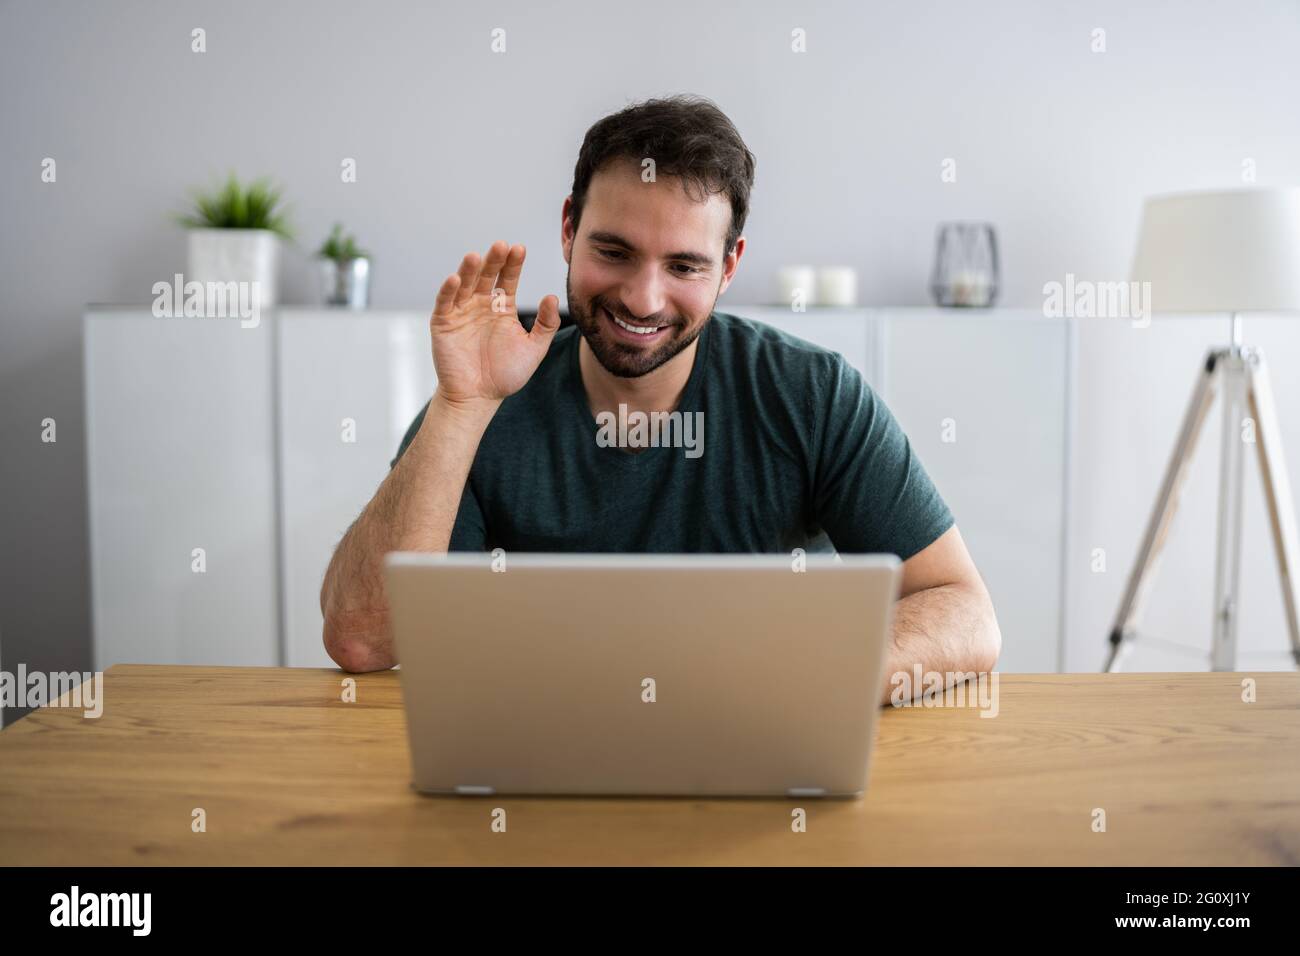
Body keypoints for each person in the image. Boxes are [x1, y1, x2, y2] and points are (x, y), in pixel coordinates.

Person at [320, 95, 1001, 703]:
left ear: (729, 266)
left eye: (684, 266)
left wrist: (800, 682)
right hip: (544, 769)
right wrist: (460, 406)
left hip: (760, 749)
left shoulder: (811, 395)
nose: (643, 299)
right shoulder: (488, 396)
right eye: (614, 252)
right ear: (568, 229)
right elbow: (362, 640)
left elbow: (964, 611)